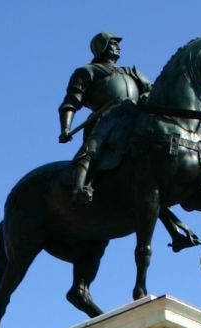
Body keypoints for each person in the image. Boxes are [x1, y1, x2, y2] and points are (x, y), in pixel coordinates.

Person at [58, 32, 151, 204]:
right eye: (113, 44)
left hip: (135, 114)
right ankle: (78, 189)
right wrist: (65, 128)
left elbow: (151, 91)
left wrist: (147, 96)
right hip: (106, 117)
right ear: (102, 46)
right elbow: (71, 101)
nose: (118, 47)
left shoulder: (132, 72)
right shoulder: (87, 72)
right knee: (91, 150)